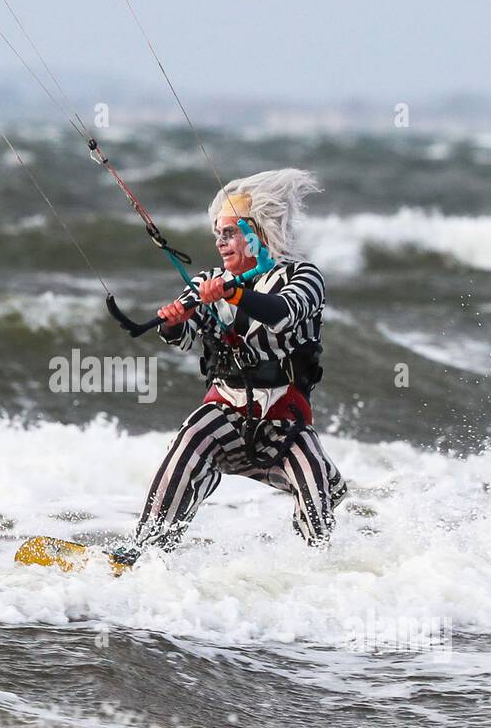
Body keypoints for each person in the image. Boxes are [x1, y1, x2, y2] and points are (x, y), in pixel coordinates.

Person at [113, 169, 347, 563]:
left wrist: (235, 293)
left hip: (284, 422)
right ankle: (145, 550)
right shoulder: (210, 281)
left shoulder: (304, 277)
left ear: (258, 233)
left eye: (230, 233)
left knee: (318, 500)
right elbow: (186, 337)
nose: (220, 242)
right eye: (217, 234)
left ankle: (321, 571)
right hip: (225, 412)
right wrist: (172, 324)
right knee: (190, 439)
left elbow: (281, 312)